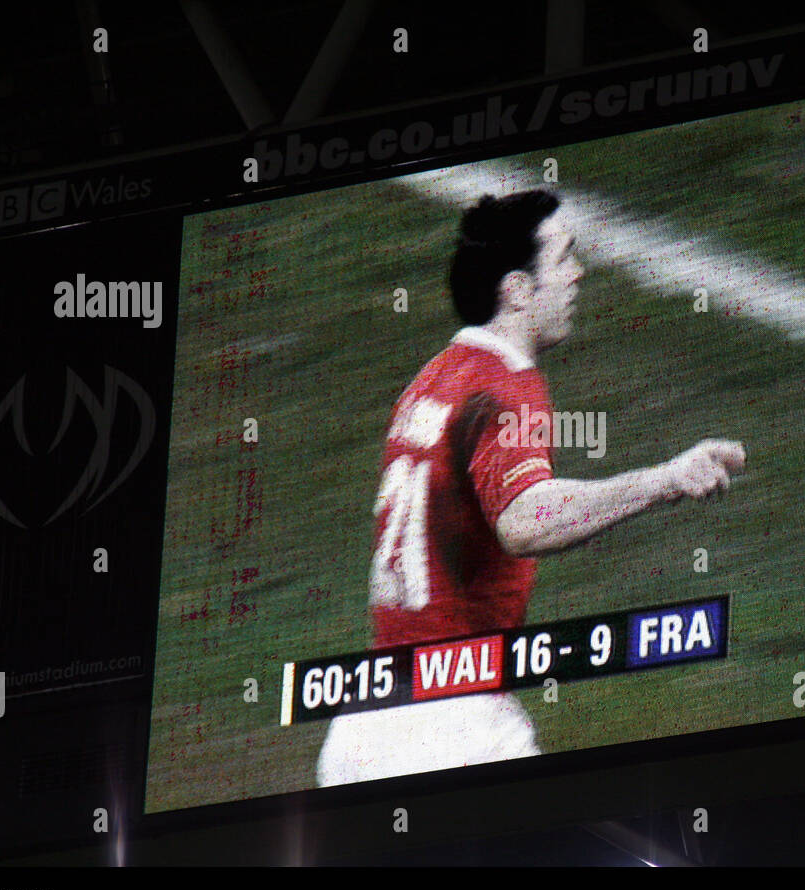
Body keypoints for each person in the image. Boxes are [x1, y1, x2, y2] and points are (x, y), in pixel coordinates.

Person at [316, 188, 745, 787]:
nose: (578, 274)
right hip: (449, 726)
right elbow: (523, 520)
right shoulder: (508, 383)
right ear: (517, 289)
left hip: (363, 727)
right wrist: (664, 481)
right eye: (564, 257)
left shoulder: (429, 381)